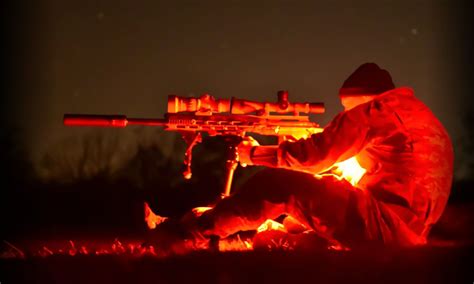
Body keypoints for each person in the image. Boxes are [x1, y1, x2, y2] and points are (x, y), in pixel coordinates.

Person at [151, 63, 454, 250]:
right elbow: (371, 172)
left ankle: (189, 234)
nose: (347, 116)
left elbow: (315, 156)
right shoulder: (415, 115)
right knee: (304, 213)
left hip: (386, 227)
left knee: (279, 185)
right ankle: (227, 233)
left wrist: (255, 154)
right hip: (407, 233)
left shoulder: (376, 112)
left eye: (349, 110)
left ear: (364, 101)